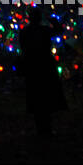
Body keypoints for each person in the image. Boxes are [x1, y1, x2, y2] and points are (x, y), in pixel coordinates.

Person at [19, 8, 66, 137]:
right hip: (44, 65)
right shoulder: (43, 30)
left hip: (33, 66)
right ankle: (46, 128)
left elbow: (23, 47)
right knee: (45, 96)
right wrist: (53, 20)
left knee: (38, 97)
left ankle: (42, 127)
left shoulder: (26, 32)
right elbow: (59, 30)